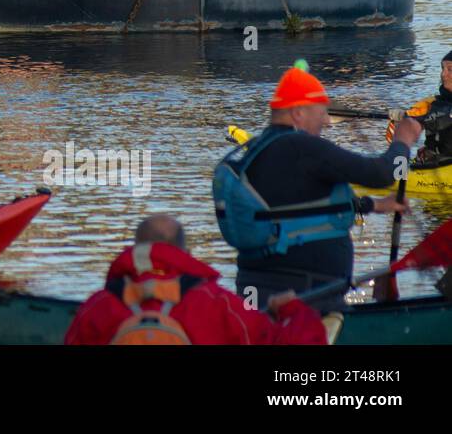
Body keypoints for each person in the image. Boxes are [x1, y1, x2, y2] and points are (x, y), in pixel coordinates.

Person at [216, 65, 421, 312]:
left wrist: (375, 205)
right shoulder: (303, 147)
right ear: (299, 112)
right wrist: (403, 141)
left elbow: (296, 208)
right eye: (322, 112)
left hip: (256, 288)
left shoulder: (256, 150)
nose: (327, 122)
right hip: (306, 294)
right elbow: (383, 174)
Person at [64, 215, 325, 344]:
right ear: (186, 254)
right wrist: (291, 310)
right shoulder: (218, 303)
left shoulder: (96, 306)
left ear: (136, 249)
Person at [393, 49, 452, 165]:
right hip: (435, 162)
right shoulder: (432, 103)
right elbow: (415, 114)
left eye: (450, 69)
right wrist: (403, 115)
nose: (443, 74)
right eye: (443, 69)